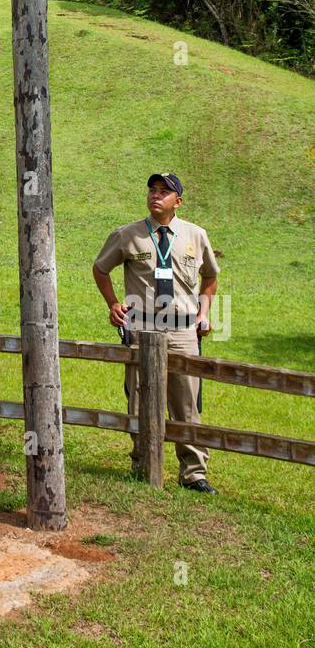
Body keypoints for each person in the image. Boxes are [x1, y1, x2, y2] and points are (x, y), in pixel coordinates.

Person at [92, 172, 220, 493]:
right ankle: (143, 463)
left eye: (164, 192)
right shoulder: (128, 235)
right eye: (152, 190)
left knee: (186, 401)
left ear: (178, 201)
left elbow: (210, 277)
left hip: (182, 331)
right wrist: (113, 304)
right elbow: (100, 268)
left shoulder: (195, 235)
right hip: (141, 328)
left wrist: (204, 313)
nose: (156, 195)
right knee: (140, 396)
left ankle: (193, 473)